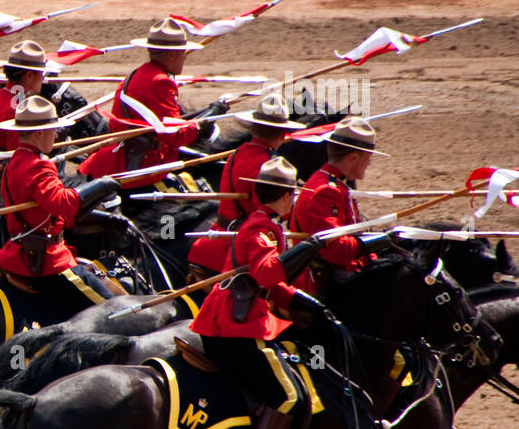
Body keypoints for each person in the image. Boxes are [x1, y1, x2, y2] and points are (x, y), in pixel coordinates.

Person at [189, 158, 327, 429]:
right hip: (234, 328)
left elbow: (273, 284)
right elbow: (267, 274)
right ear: (287, 196)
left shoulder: (267, 226)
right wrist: (305, 249)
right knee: (290, 396)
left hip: (237, 320)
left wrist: (305, 303)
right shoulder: (260, 230)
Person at [0, 95, 121, 310]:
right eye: (53, 129)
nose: (56, 134)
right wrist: (98, 187)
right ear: (39, 132)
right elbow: (60, 203)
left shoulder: (16, 160)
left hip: (20, 250)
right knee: (115, 310)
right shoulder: (38, 165)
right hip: (48, 260)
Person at [79, 18, 216, 187]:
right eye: (183, 53)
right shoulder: (160, 82)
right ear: (172, 55)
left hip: (118, 156)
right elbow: (175, 135)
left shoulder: (141, 73)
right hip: (139, 166)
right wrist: (209, 118)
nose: (184, 58)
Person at [187, 93, 303, 280]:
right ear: (283, 134)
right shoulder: (267, 167)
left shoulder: (237, 153)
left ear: (253, 128)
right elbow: (270, 210)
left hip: (216, 239)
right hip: (242, 249)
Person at [292, 116, 388, 295]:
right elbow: (335, 249)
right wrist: (372, 242)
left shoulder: (333, 184)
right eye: (368, 157)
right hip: (328, 284)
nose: (369, 163)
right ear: (353, 157)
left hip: (340, 275)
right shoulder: (327, 191)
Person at [0, 40, 48, 199]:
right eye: (41, 74)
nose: (43, 79)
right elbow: (20, 157)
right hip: (2, 182)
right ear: (29, 75)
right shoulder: (17, 109)